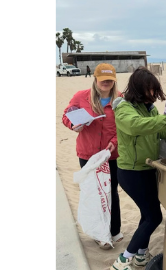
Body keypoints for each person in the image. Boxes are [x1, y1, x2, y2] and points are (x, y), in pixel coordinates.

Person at [109, 67, 166, 270]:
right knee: (154, 216)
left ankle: (140, 255)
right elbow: (136, 126)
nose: (153, 94)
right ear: (138, 88)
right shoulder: (124, 108)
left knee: (147, 214)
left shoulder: (150, 108)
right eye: (150, 90)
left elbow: (160, 131)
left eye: (155, 90)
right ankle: (123, 261)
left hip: (149, 169)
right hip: (131, 172)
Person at [61, 63, 124, 249]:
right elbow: (66, 115)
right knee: (94, 192)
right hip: (88, 154)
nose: (106, 83)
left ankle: (114, 230)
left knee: (111, 191)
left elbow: (124, 126)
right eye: (103, 79)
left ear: (114, 81)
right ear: (95, 79)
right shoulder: (81, 97)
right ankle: (99, 233)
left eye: (110, 80)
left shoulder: (121, 100)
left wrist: (115, 140)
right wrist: (73, 125)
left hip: (111, 155)